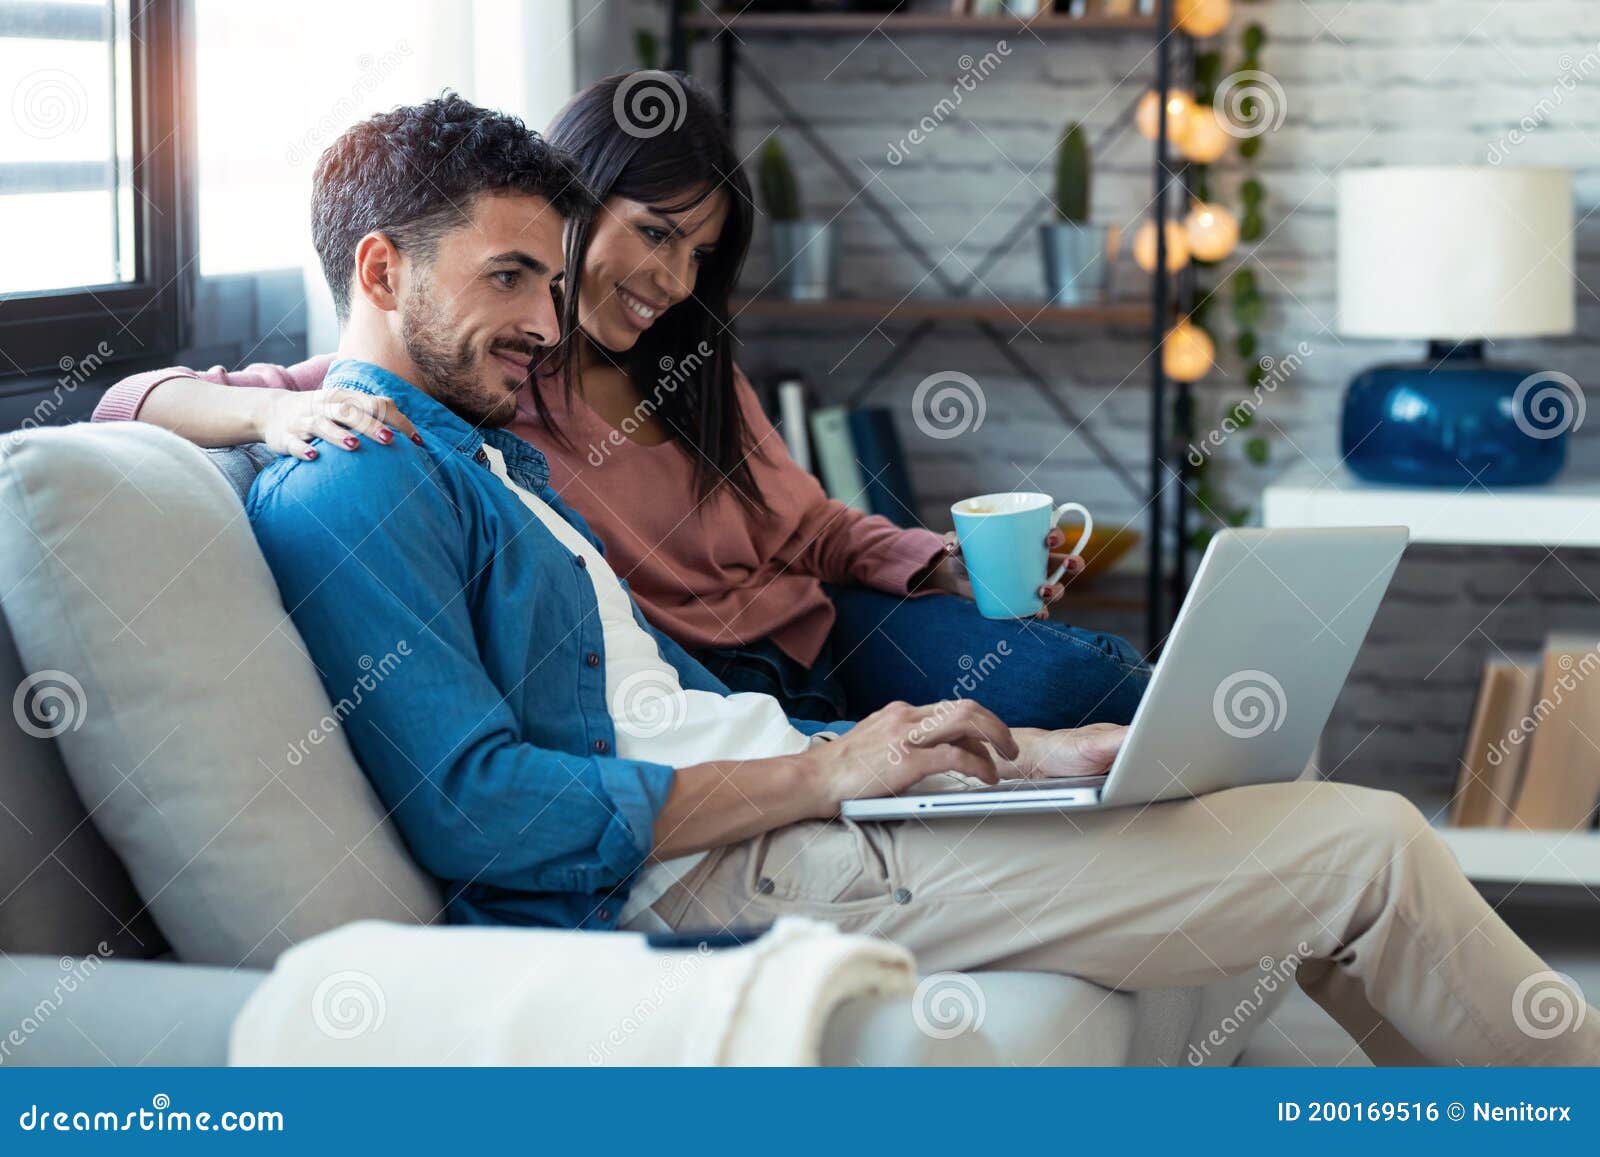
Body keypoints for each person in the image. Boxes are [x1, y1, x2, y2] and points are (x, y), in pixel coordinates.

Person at [240, 94, 1593, 1067]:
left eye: (551, 273)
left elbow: (724, 649)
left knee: (1217, 787)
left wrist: (957, 747)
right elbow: (484, 815)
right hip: (724, 865)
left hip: (796, 769)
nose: (545, 321)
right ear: (379, 269)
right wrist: (829, 774)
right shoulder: (354, 467)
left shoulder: (481, 444)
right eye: (512, 277)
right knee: (1373, 845)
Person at [92, 72, 1148, 731]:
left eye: (699, 253)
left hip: (824, 631)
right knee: (1060, 709)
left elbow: (813, 526)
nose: (675, 282)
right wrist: (267, 416)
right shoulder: (484, 368)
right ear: (578, 205)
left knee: (1098, 675)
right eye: (653, 232)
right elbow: (125, 403)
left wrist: (935, 564)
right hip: (711, 683)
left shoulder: (690, 367)